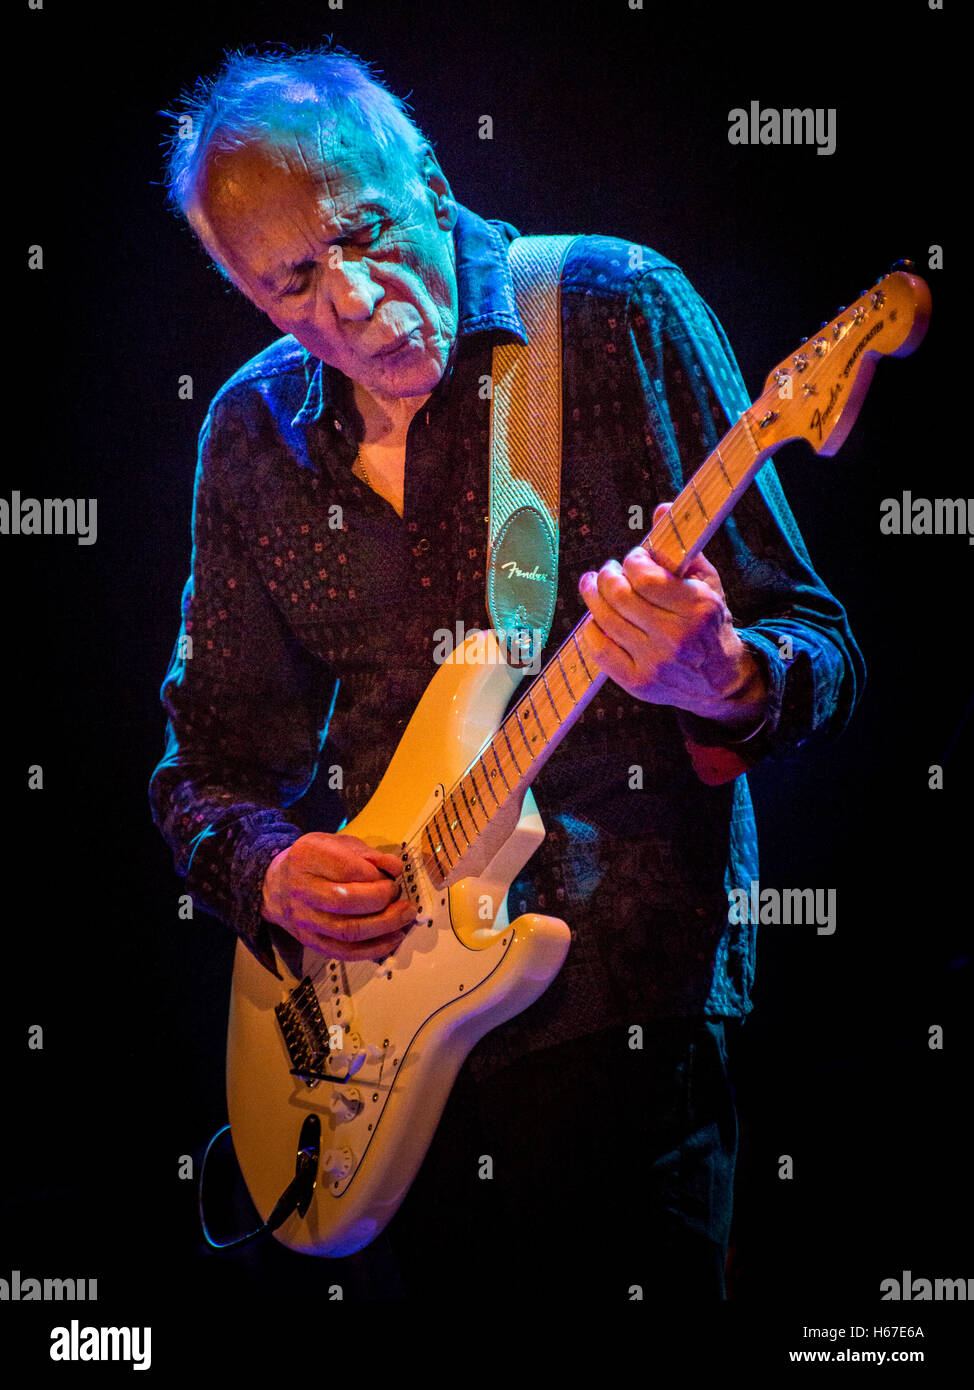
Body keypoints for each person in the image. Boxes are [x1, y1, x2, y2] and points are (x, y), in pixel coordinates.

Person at [150, 46, 864, 1300]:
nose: (357, 299)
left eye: (367, 233)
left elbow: (819, 645)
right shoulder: (252, 433)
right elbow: (199, 768)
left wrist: (725, 676)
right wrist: (268, 869)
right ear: (245, 295)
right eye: (295, 283)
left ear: (428, 178)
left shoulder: (605, 305)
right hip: (358, 1045)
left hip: (615, 1027)